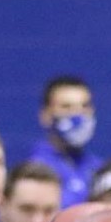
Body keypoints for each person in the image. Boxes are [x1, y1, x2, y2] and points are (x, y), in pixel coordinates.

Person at [25, 76, 103, 208]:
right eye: (66, 107)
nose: (78, 115)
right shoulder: (35, 169)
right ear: (45, 116)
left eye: (84, 106)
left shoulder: (98, 167)